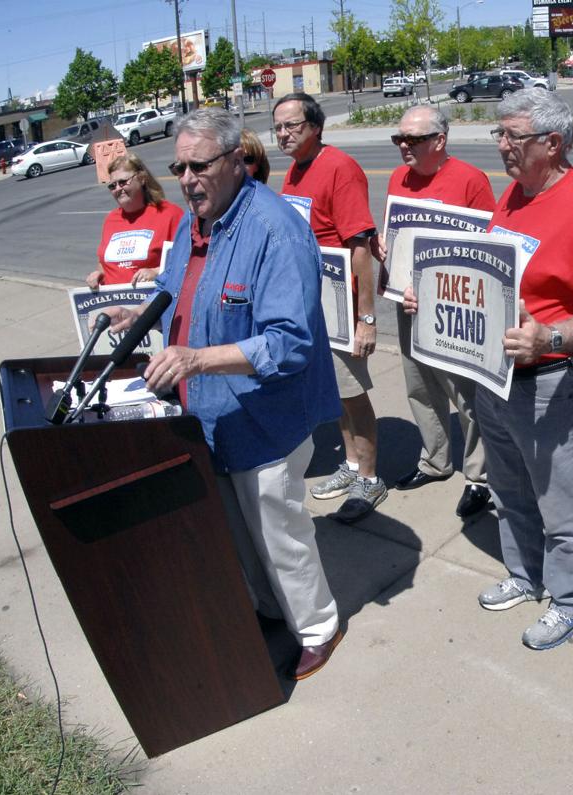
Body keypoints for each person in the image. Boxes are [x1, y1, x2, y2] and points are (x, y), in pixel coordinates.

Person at [101, 108, 344, 681]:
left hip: (265, 420)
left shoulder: (275, 230)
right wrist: (136, 313)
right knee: (239, 534)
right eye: (179, 167)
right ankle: (268, 611)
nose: (187, 179)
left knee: (279, 535)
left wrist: (195, 359)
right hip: (207, 416)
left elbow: (289, 344)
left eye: (199, 165)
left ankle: (317, 627)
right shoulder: (194, 221)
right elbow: (173, 289)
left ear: (237, 160)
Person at [469, 89, 573, 650]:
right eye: (501, 135)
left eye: (513, 136)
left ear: (552, 144)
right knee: (508, 489)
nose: (502, 145)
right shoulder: (513, 195)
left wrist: (549, 337)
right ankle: (525, 573)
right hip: (497, 375)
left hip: (552, 381)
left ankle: (572, 600)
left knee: (563, 500)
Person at [272, 92, 386, 523]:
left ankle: (371, 479)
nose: (283, 133)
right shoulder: (295, 172)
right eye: (278, 126)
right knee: (334, 393)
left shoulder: (340, 168)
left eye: (292, 126)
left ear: (316, 127)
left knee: (353, 394)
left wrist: (366, 319)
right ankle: (353, 464)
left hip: (343, 307)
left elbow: (359, 249)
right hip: (313, 304)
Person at [385, 105, 496, 518]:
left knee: (465, 395)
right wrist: (387, 249)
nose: (403, 147)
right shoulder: (399, 178)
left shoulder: (470, 180)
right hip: (407, 302)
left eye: (412, 140)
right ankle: (435, 460)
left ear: (439, 141)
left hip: (452, 305)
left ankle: (480, 477)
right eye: (399, 139)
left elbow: (488, 247)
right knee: (419, 385)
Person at [87, 152, 184, 289]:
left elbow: (186, 259)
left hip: (152, 303)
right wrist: (98, 274)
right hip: (113, 303)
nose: (118, 189)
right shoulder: (111, 220)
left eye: (123, 182)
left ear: (142, 178)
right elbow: (104, 263)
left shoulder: (170, 214)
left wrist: (156, 272)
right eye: (112, 186)